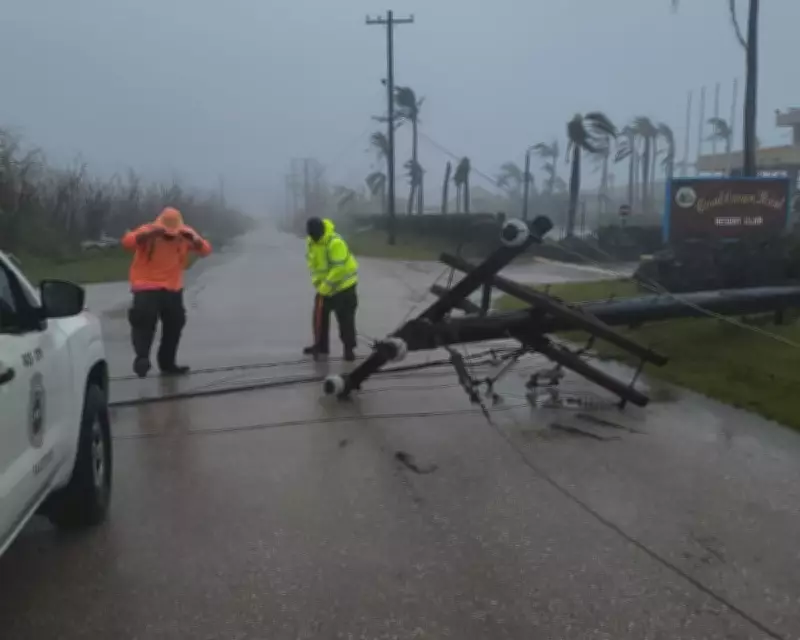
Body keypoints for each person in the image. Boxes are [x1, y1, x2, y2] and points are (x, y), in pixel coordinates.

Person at [121, 207, 212, 378]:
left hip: (172, 287)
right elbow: (127, 243)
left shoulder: (185, 234)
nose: (169, 236)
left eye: (172, 234)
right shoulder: (148, 230)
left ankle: (168, 364)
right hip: (146, 286)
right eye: (166, 233)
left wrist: (195, 240)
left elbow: (205, 250)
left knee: (175, 324)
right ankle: (142, 358)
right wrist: (147, 235)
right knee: (143, 322)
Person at [302, 217, 359, 361]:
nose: (314, 237)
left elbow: (339, 269)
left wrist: (325, 287)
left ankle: (349, 349)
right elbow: (313, 265)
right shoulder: (311, 243)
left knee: (345, 319)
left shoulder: (335, 242)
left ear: (322, 230)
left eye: (316, 235)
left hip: (344, 287)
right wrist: (318, 284)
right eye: (311, 235)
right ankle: (321, 346)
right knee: (319, 317)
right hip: (325, 287)